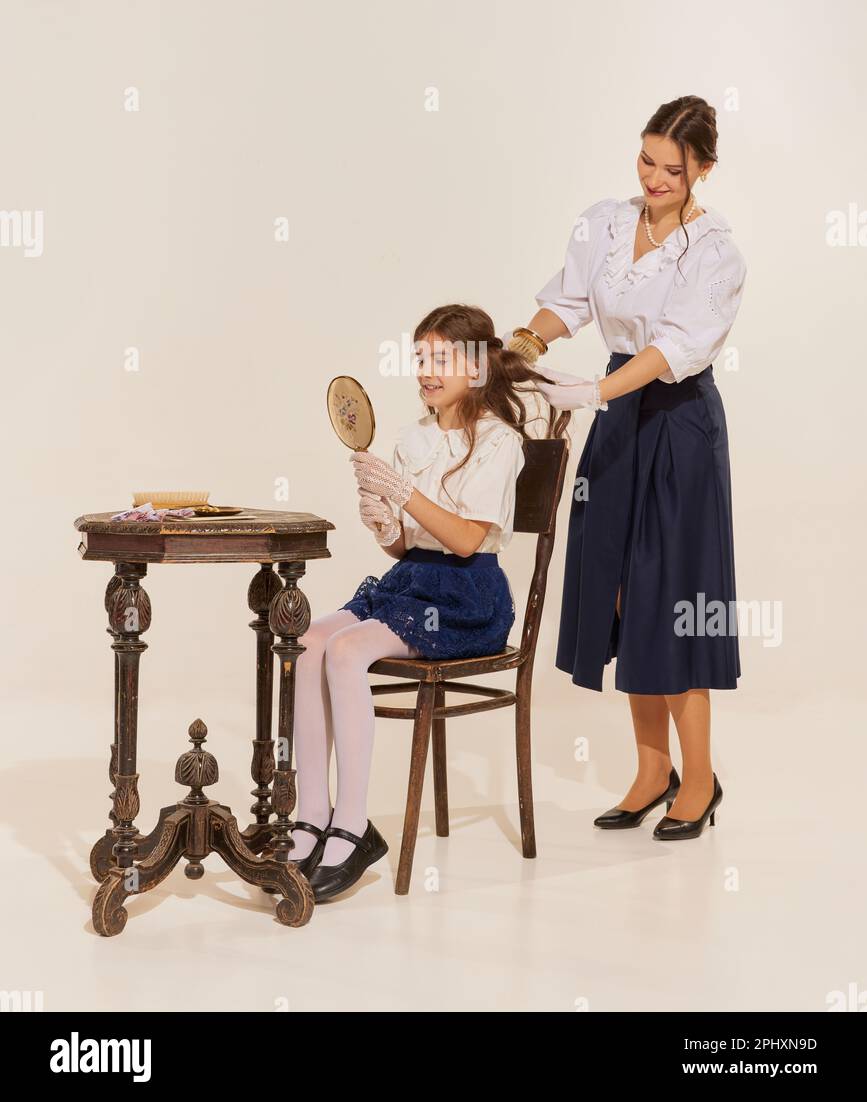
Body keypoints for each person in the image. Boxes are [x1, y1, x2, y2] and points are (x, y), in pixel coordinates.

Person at [507, 96, 747, 841]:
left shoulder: (716, 254)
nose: (652, 178)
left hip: (676, 425)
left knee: (671, 600)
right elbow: (569, 298)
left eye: (671, 168)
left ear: (703, 169)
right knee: (615, 593)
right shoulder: (607, 222)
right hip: (616, 421)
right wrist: (524, 344)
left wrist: (594, 391)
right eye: (646, 159)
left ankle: (699, 781)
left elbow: (674, 349)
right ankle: (651, 771)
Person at [290, 304, 563, 902]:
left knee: (348, 651)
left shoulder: (499, 441)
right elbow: (400, 548)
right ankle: (311, 813)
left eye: (440, 359)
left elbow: (466, 540)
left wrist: (405, 492)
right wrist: (382, 519)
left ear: (476, 366)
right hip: (412, 583)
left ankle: (354, 826)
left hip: (467, 595)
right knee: (308, 640)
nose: (425, 372)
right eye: (420, 359)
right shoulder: (413, 438)